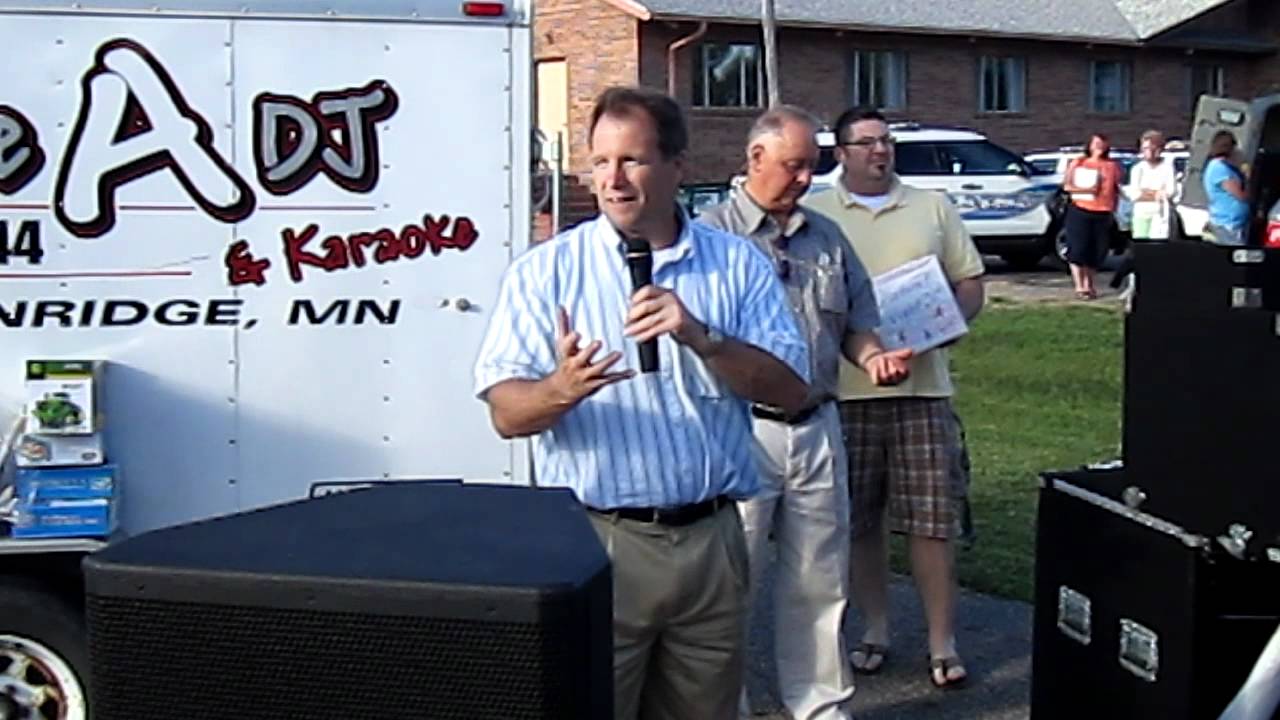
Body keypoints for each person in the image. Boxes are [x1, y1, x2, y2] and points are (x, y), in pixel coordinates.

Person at [472, 86, 811, 720]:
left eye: (632, 160)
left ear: (678, 166)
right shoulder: (546, 273)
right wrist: (560, 388)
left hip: (712, 540)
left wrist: (704, 338)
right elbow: (506, 415)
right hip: (597, 542)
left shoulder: (736, 265)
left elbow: (792, 390)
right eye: (600, 161)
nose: (613, 180)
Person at [696, 105, 910, 720]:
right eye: (793, 165)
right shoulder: (710, 237)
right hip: (739, 428)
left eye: (811, 167)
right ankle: (724, 706)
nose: (804, 179)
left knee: (819, 578)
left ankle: (819, 704)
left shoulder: (826, 238)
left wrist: (873, 357)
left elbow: (857, 323)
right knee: (731, 581)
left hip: (817, 425)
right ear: (755, 158)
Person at [803, 108, 985, 690]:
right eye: (867, 143)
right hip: (846, 393)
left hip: (922, 388)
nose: (880, 151)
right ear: (841, 153)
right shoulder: (817, 213)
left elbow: (969, 281)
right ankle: (875, 628)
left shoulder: (932, 206)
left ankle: (942, 641)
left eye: (886, 141)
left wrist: (951, 322)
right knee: (859, 521)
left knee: (932, 520)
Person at [1061, 133, 1122, 300]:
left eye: (1102, 144)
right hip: (1080, 209)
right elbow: (1067, 186)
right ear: (1089, 145)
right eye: (1096, 143)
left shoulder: (1112, 166)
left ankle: (1090, 283)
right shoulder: (1079, 162)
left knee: (1097, 251)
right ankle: (1080, 286)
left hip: (1103, 212)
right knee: (1078, 249)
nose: (1099, 147)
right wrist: (1087, 190)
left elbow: (1116, 189)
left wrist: (1115, 209)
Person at [1124, 130, 1177, 242]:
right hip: (1141, 213)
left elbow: (1170, 192)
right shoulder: (1137, 169)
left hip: (1161, 215)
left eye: (1153, 148)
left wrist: (1146, 192)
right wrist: (1157, 193)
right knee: (1141, 245)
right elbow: (1134, 195)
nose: (1149, 152)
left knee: (1159, 246)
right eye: (1145, 148)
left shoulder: (1167, 168)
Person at [1203, 130, 1251, 246]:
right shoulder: (1219, 168)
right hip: (1226, 224)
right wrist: (1247, 178)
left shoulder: (1226, 167)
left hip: (1233, 224)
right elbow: (1240, 195)